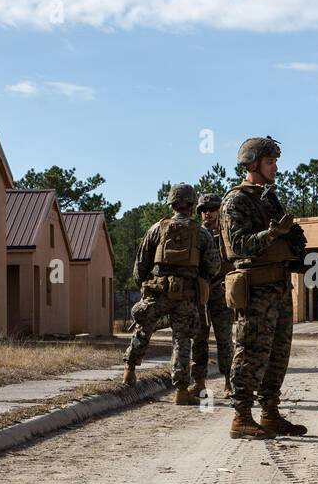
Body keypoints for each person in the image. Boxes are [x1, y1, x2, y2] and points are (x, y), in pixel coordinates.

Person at [221, 136, 307, 439]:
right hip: (256, 289)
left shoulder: (269, 197)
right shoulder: (237, 200)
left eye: (275, 162)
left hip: (279, 287)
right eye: (270, 162)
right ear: (253, 164)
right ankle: (241, 417)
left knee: (278, 355)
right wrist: (271, 234)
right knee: (250, 353)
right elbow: (239, 245)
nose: (276, 168)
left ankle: (270, 413)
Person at [123, 184, 221, 405]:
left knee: (143, 329)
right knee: (181, 341)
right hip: (186, 296)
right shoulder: (202, 233)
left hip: (157, 292)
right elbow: (214, 266)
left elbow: (140, 266)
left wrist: (146, 286)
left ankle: (129, 372)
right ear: (192, 204)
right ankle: (181, 392)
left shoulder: (157, 228)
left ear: (172, 204)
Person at [193, 193, 235, 398]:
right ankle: (199, 382)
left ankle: (229, 381)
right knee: (198, 337)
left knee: (224, 338)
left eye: (211, 209)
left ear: (220, 211)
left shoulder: (228, 233)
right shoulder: (197, 235)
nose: (207, 213)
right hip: (200, 291)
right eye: (203, 210)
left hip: (221, 290)